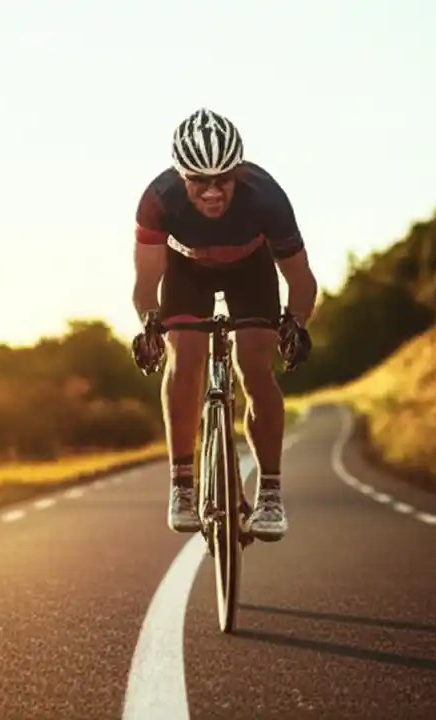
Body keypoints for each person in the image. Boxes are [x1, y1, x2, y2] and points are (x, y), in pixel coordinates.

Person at [129, 108, 315, 541]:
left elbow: (301, 279)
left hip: (250, 268)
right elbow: (145, 282)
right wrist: (149, 322)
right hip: (186, 270)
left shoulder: (266, 196)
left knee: (254, 364)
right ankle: (182, 485)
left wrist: (297, 322)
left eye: (223, 180)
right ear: (181, 176)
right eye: (199, 181)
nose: (213, 192)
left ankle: (270, 494)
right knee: (186, 354)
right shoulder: (157, 200)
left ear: (238, 173)